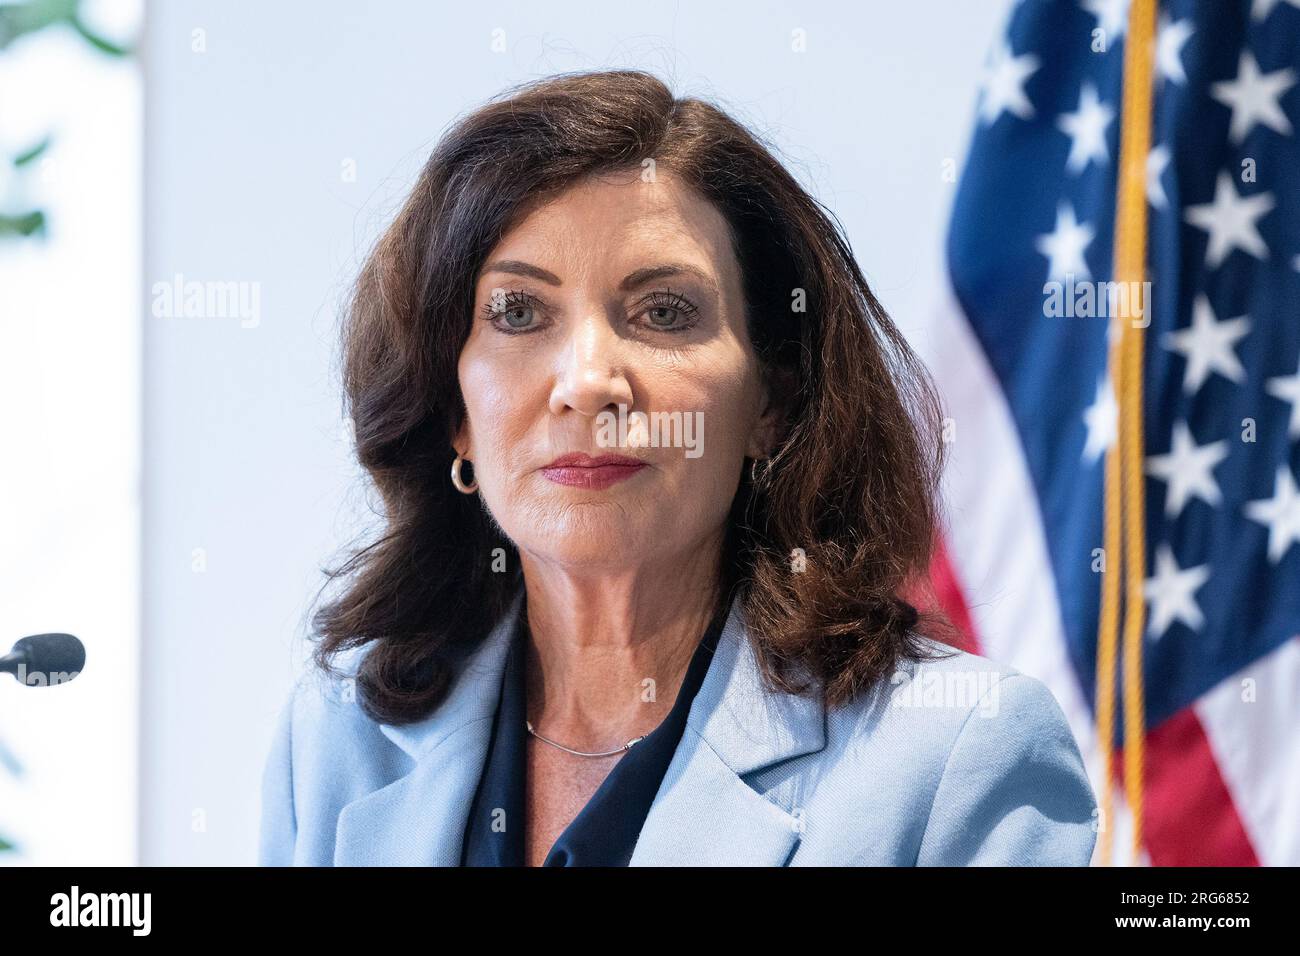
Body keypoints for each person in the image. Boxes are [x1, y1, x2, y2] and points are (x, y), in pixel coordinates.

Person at [258, 69, 1098, 866]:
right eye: (518, 311)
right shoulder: (336, 739)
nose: (587, 383)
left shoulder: (958, 754)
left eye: (664, 311)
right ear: (455, 413)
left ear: (771, 400)